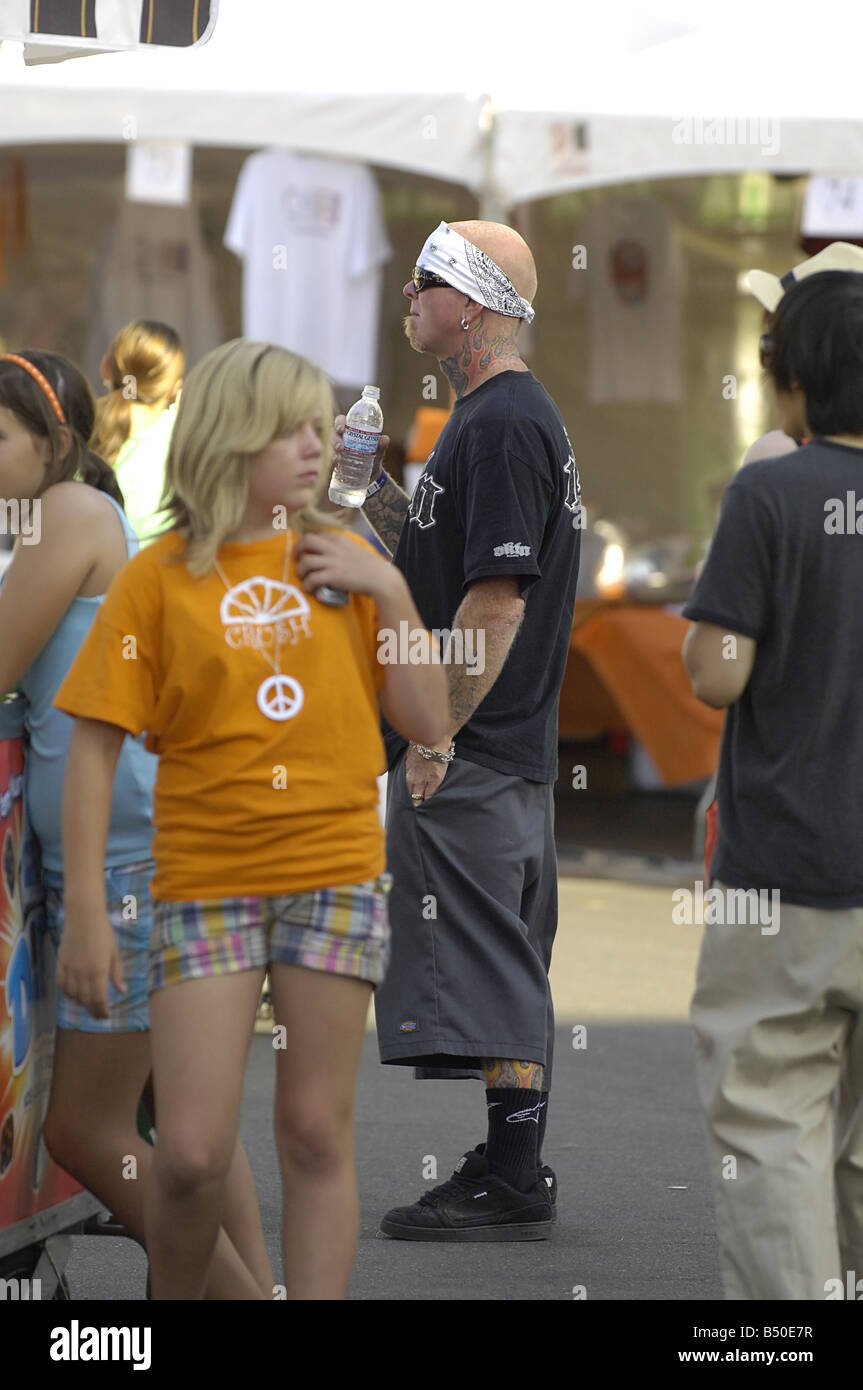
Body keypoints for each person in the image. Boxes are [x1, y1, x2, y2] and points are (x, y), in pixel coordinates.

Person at [52, 339, 449, 1298]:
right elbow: (94, 750)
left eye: (323, 427)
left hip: (335, 875)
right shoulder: (156, 578)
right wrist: (93, 920)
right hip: (203, 883)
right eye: (295, 430)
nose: (320, 447)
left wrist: (391, 590)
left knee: (314, 1130)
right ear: (233, 439)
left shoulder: (350, 565)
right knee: (188, 1152)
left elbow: (431, 721)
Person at [0, 348, 274, 1299]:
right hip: (160, 847)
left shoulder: (67, 514)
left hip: (123, 864)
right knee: (176, 1114)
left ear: (53, 443)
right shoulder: (84, 516)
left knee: (87, 1127)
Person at [344, 219, 581, 1240]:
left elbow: (494, 602)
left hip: (477, 743)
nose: (406, 290)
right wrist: (369, 501)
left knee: (488, 957)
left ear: (475, 304)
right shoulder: (486, 418)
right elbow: (449, 555)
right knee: (506, 956)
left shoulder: (499, 422)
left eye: (427, 278)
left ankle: (513, 1172)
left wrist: (434, 730)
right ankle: (512, 1159)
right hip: (503, 741)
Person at [682, 251, 863, 1299]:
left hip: (786, 869)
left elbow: (716, 673)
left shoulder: (768, 493)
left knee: (768, 1123)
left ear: (789, 374)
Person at [91, 319, 184, 543]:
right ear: (175, 388)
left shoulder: (80, 429)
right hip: (158, 573)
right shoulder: (184, 438)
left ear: (105, 367)